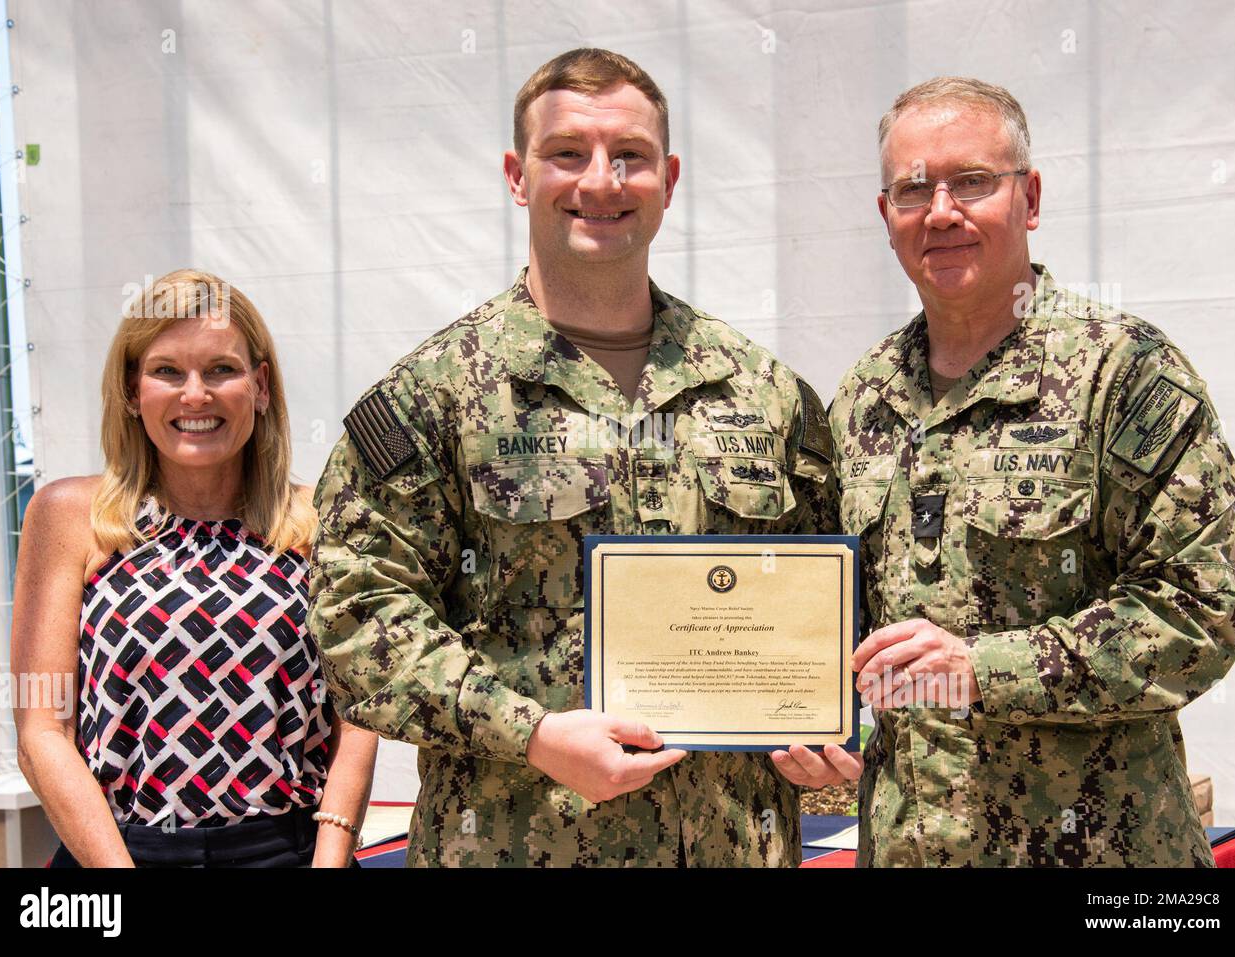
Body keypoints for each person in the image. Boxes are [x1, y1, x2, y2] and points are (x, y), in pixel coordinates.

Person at [309, 47, 860, 867]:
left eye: (629, 156)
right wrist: (530, 733)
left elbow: (840, 613)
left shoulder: (768, 394)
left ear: (668, 179)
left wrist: (831, 735)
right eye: (567, 153)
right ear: (517, 174)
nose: (600, 181)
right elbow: (356, 618)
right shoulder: (433, 397)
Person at [831, 77, 1235, 866]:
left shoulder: (1125, 375)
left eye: (973, 182)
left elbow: (1199, 615)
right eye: (914, 188)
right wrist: (805, 721)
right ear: (887, 216)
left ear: (1030, 198)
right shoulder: (862, 399)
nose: (942, 210)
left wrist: (982, 670)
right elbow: (835, 623)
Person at [12, 269, 378, 867]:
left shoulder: (321, 522)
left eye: (221, 370)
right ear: (132, 390)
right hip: (114, 855)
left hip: (291, 853)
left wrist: (333, 855)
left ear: (260, 386)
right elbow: (40, 730)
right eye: (166, 371)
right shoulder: (67, 517)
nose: (195, 395)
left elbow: (358, 718)